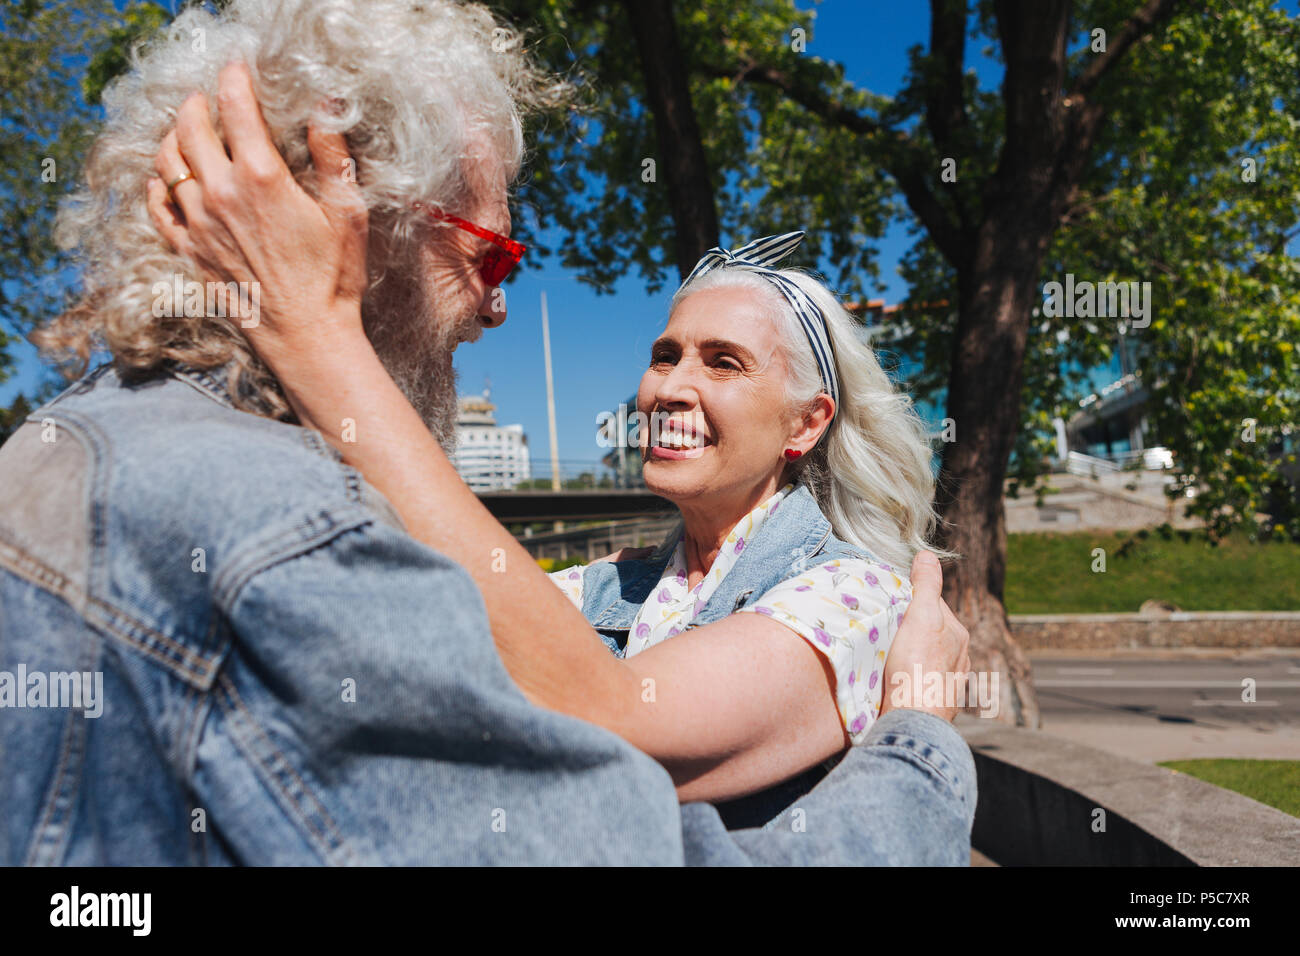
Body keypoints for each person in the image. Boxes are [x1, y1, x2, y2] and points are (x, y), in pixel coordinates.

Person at [0, 0, 975, 865]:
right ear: (356, 224)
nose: (663, 384)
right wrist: (921, 730)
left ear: (809, 422)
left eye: (722, 361)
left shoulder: (851, 593)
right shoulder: (308, 534)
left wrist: (315, 333)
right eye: (498, 256)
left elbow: (599, 710)